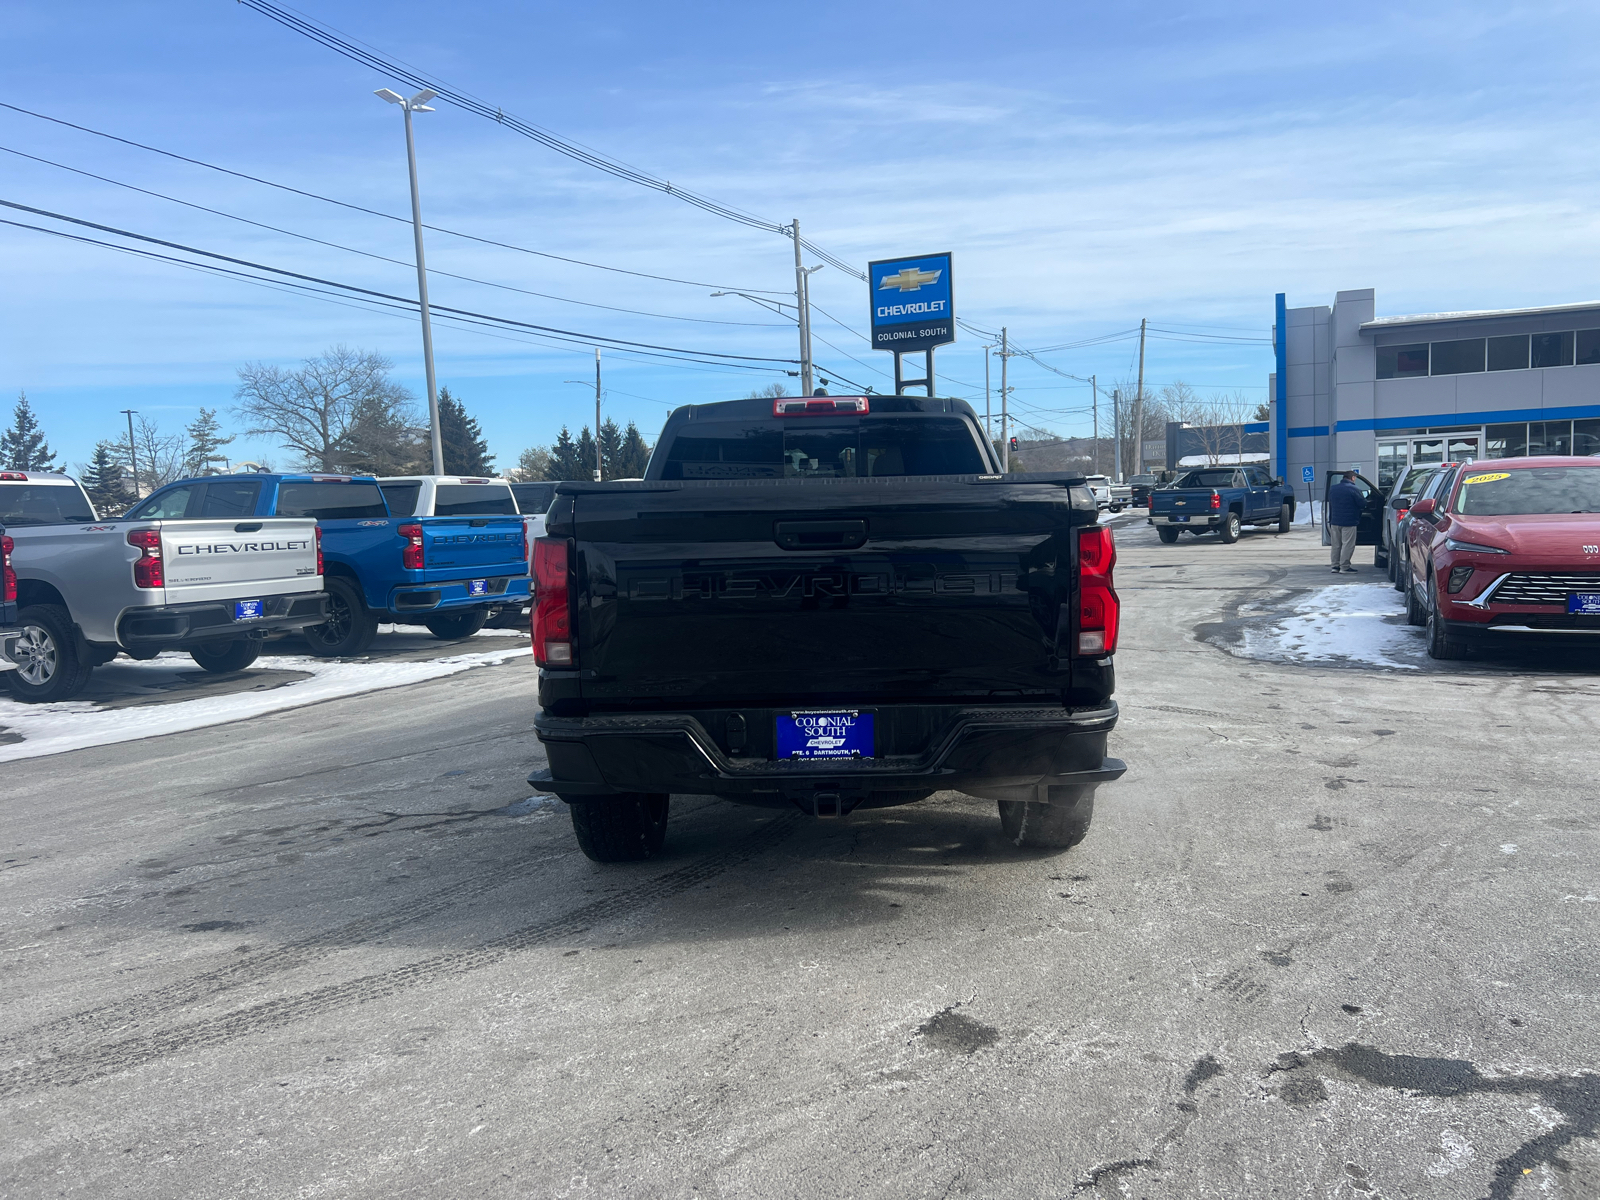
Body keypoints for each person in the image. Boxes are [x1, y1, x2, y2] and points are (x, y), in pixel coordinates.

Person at [1327, 469, 1365, 573]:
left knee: (1336, 545)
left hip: (1334, 521)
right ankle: (1344, 566)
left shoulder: (1333, 489)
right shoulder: (1354, 489)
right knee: (1347, 544)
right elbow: (1362, 504)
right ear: (1352, 478)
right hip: (1349, 522)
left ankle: (1335, 566)